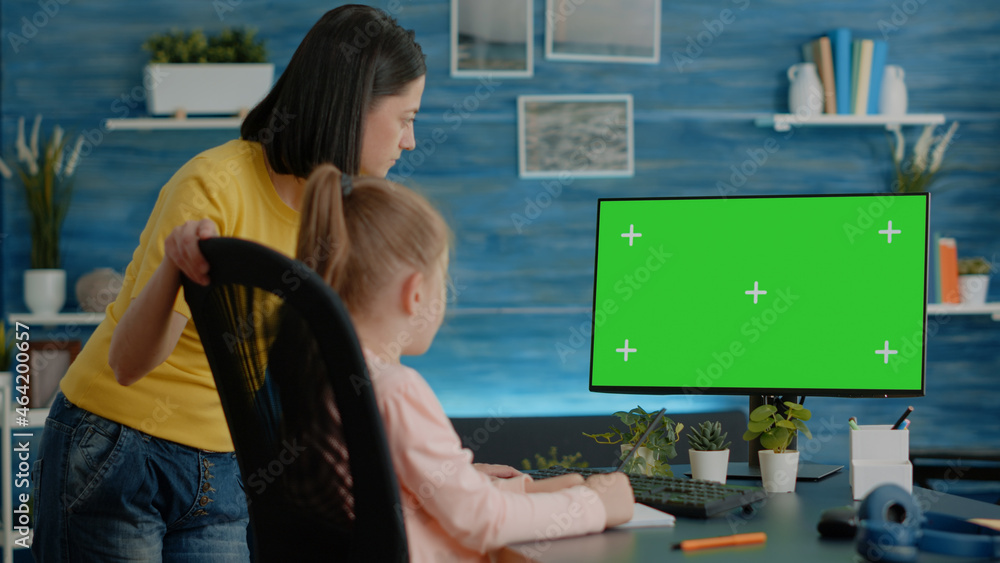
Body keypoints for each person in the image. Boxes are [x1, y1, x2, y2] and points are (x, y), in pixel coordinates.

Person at [31, 6, 428, 561]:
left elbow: (345, 379)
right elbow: (128, 364)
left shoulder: (337, 218)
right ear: (353, 106)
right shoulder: (215, 185)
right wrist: (175, 267)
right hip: (117, 450)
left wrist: (447, 475)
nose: (410, 141)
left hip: (223, 467)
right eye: (406, 117)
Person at [295, 164, 635, 563]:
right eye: (445, 282)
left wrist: (520, 490)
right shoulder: (395, 389)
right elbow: (478, 520)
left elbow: (395, 500)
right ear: (416, 293)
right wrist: (594, 506)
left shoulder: (321, 375)